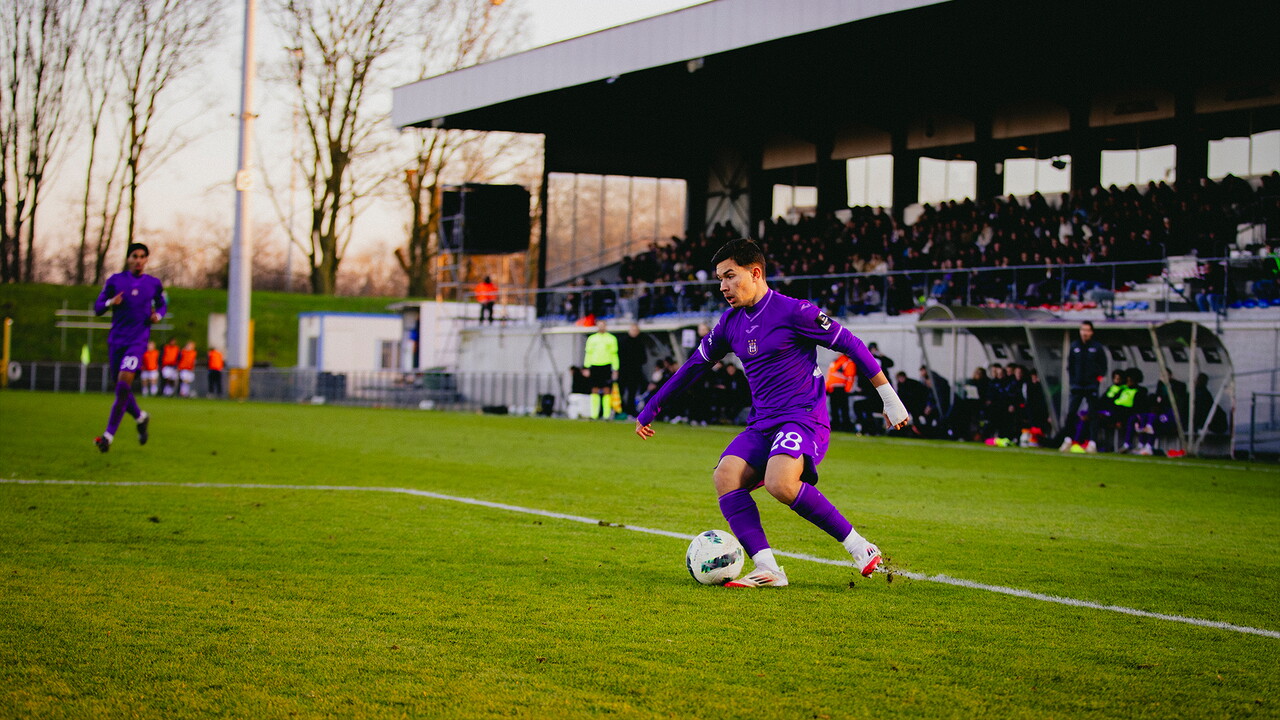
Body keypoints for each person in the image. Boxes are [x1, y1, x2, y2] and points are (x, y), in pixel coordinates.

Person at [634, 238, 910, 588]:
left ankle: (859, 547)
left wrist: (889, 397)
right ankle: (768, 567)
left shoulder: (795, 312)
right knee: (726, 475)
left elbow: (851, 344)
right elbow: (693, 366)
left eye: (730, 276)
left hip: (804, 417)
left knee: (781, 483)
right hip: (763, 423)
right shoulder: (729, 324)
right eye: (720, 279)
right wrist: (651, 406)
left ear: (756, 272)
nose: (723, 287)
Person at [92, 243, 165, 452]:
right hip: (116, 341)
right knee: (120, 387)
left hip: (137, 342)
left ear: (147, 260)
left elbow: (162, 304)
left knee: (124, 385)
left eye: (143, 256)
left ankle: (108, 436)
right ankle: (141, 417)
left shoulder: (153, 284)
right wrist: (110, 303)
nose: (139, 260)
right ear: (128, 259)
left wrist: (157, 315)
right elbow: (97, 308)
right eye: (135, 256)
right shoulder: (115, 281)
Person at [1061, 321, 1107, 445]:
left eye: (1087, 330)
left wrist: (1097, 380)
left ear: (1091, 332)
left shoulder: (1097, 347)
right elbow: (1070, 365)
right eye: (1082, 330)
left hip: (1091, 385)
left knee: (1093, 413)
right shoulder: (1074, 346)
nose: (1084, 333)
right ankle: (1068, 438)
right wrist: (1072, 381)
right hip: (1077, 385)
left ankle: (1092, 441)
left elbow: (1103, 366)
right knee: (1071, 412)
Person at [583, 320, 619, 420]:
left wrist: (615, 368)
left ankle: (606, 415)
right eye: (599, 325)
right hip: (594, 366)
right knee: (594, 390)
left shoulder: (611, 339)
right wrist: (586, 367)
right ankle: (594, 414)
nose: (601, 327)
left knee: (607, 390)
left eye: (603, 325)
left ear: (605, 326)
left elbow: (614, 354)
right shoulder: (591, 339)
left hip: (606, 366)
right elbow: (588, 353)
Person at [616, 323, 647, 417]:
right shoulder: (622, 342)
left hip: (635, 372)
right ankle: (620, 410)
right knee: (621, 391)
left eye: (635, 330)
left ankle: (630, 410)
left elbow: (644, 358)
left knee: (632, 392)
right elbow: (618, 356)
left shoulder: (640, 343)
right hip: (623, 371)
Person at [825, 353, 856, 431]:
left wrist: (847, 390)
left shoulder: (847, 362)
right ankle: (836, 425)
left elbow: (850, 377)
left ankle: (845, 426)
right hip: (833, 389)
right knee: (834, 409)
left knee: (843, 409)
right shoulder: (835, 362)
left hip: (841, 389)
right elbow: (830, 376)